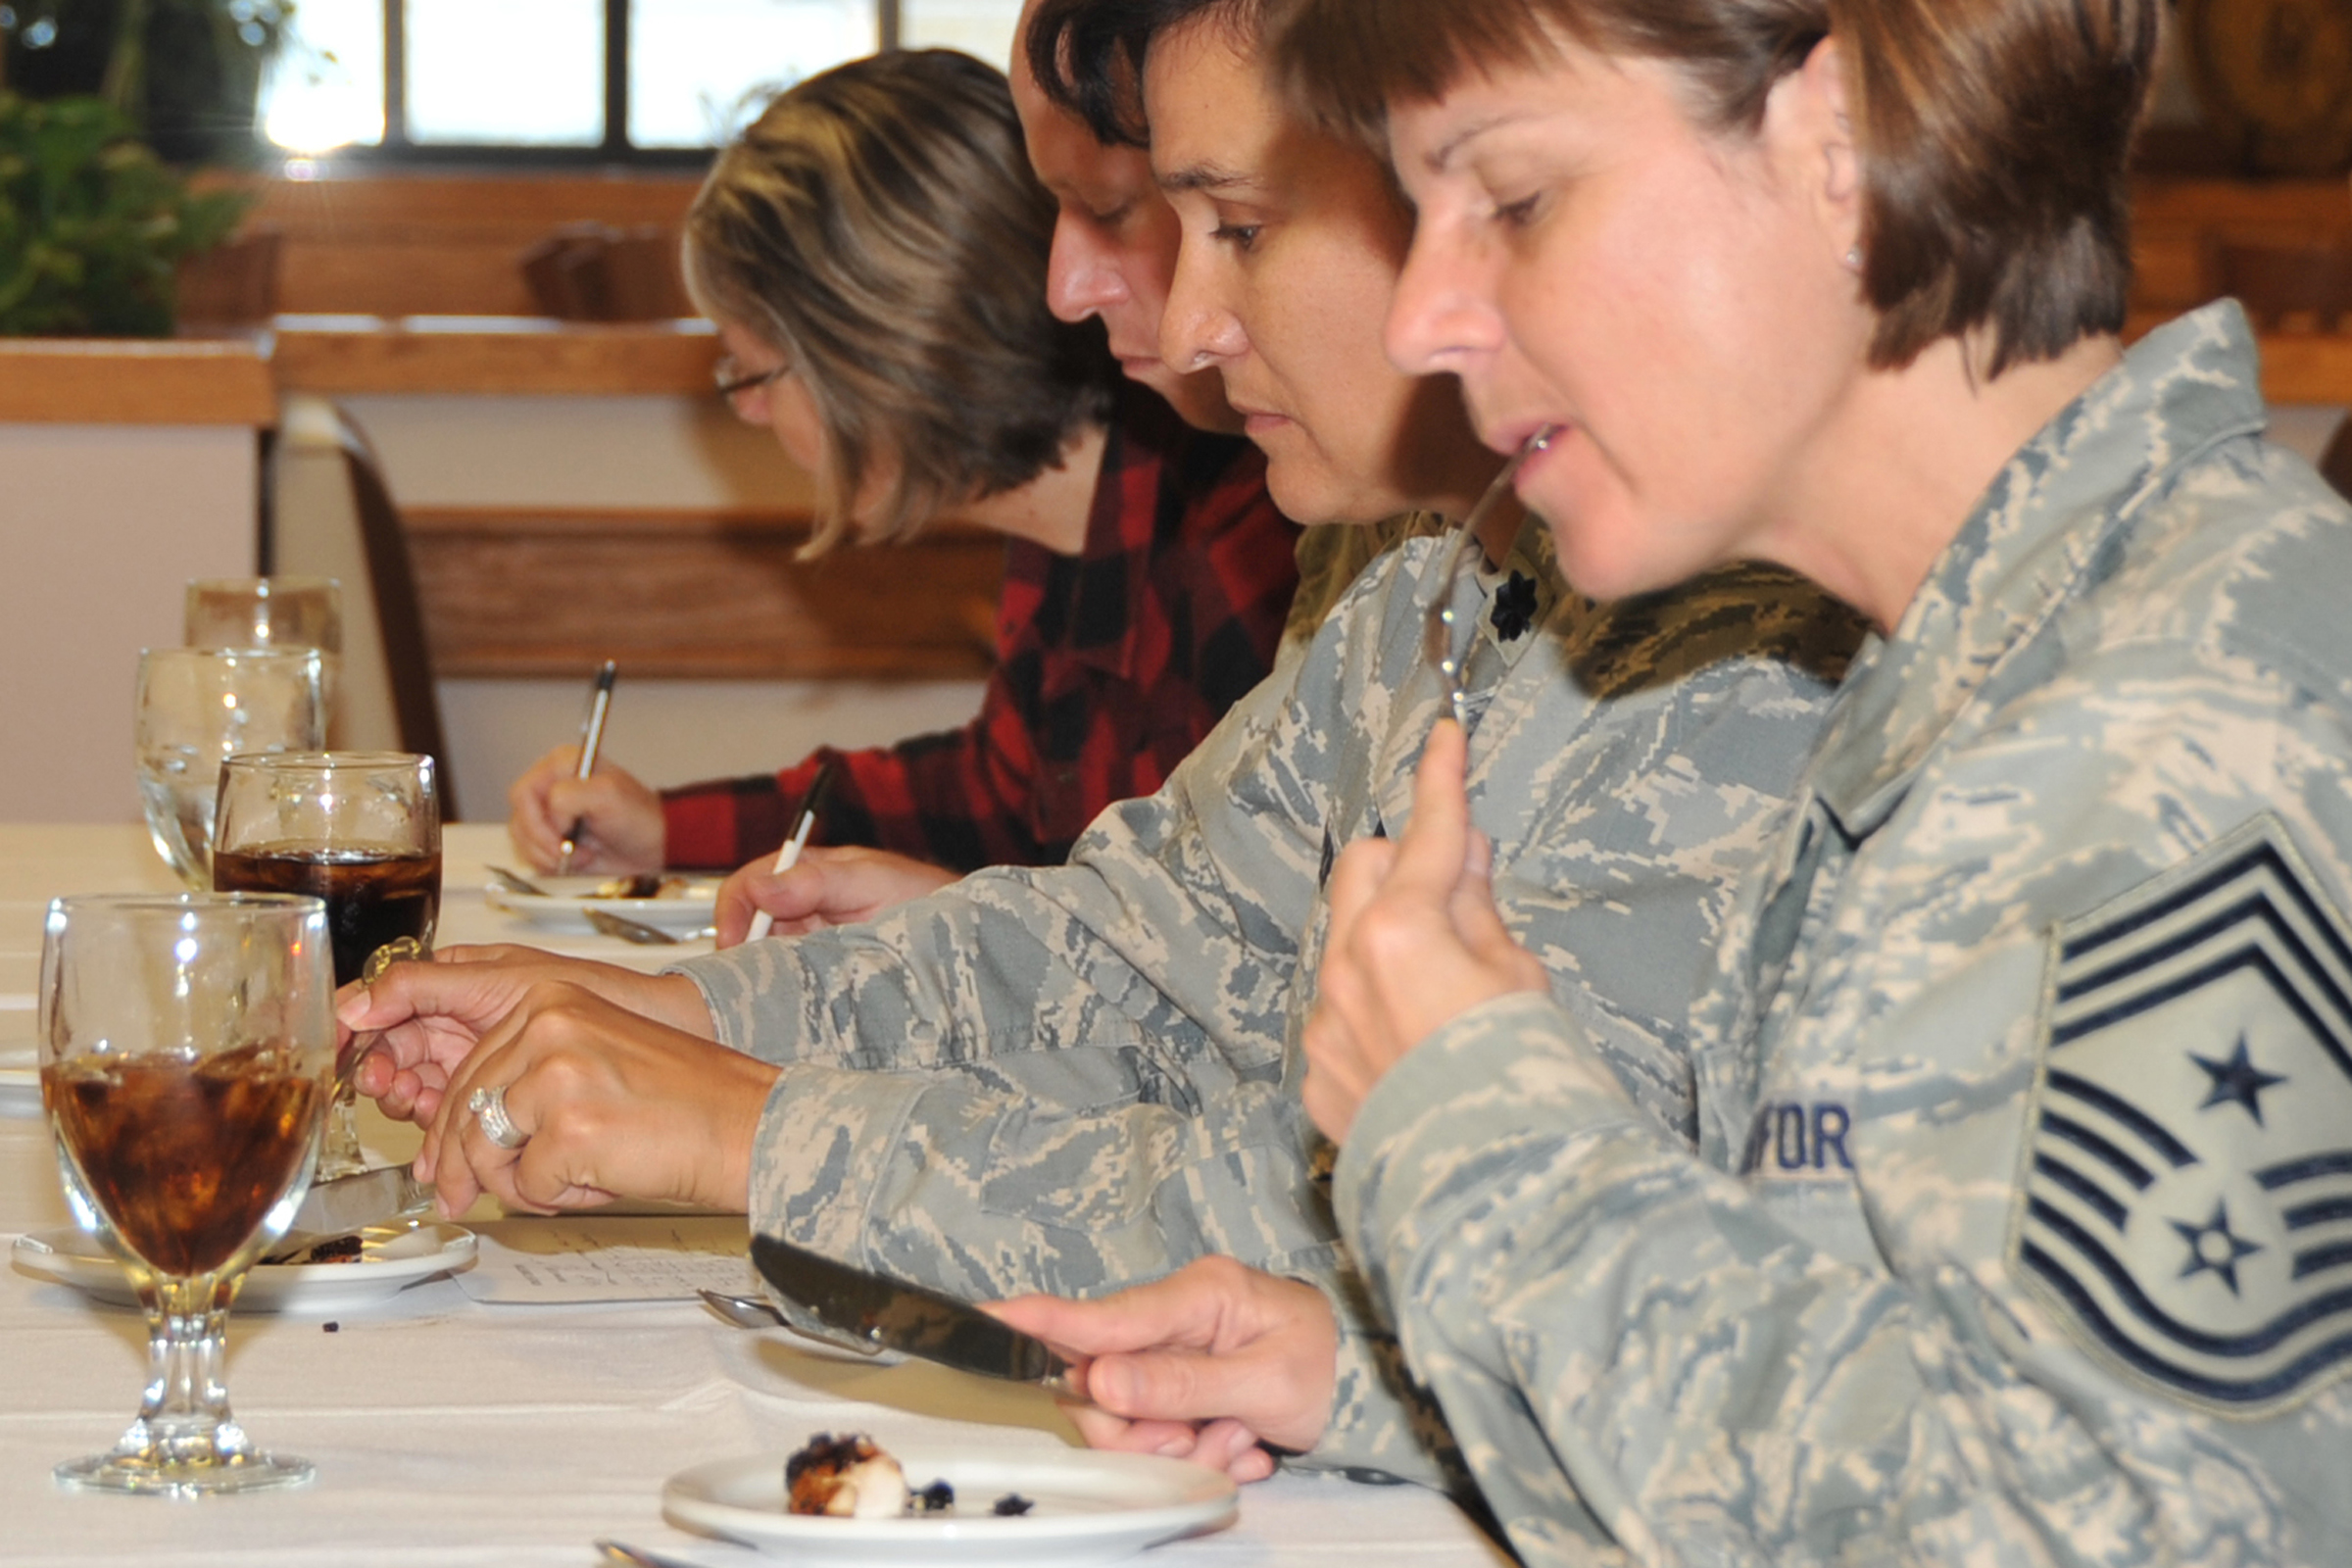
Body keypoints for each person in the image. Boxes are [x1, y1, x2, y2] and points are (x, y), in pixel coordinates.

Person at [340, 0, 1861, 1490]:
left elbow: (1386, 1227)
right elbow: (1149, 951)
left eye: (1234, 225)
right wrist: (680, 1015)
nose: (1177, 320)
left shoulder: (1745, 623)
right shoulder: (1433, 565)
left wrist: (757, 1131)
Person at [987, 0, 2352, 1558]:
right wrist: (1383, 1379)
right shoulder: (1980, 682)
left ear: (1841, 141)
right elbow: (1932, 1403)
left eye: (1512, 201)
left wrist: (1477, 1131)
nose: (1429, 315)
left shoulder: (2190, 735)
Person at [504, 46, 1302, 904]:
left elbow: (1219, 950)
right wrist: (670, 828)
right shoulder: (1075, 522)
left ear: (886, 357)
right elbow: (996, 797)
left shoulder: (1244, 546)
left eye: (755, 373)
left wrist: (942, 917)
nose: (749, 412)